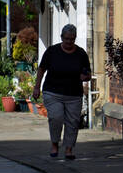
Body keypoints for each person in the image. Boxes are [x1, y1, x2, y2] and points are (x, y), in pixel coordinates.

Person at [32, 24, 91, 160]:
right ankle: (54, 144)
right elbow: (41, 69)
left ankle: (69, 149)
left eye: (72, 39)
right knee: (56, 118)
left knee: (73, 122)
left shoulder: (81, 54)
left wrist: (85, 77)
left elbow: (87, 73)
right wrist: (37, 87)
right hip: (53, 92)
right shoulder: (52, 51)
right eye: (66, 39)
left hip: (74, 94)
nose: (69, 42)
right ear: (61, 38)